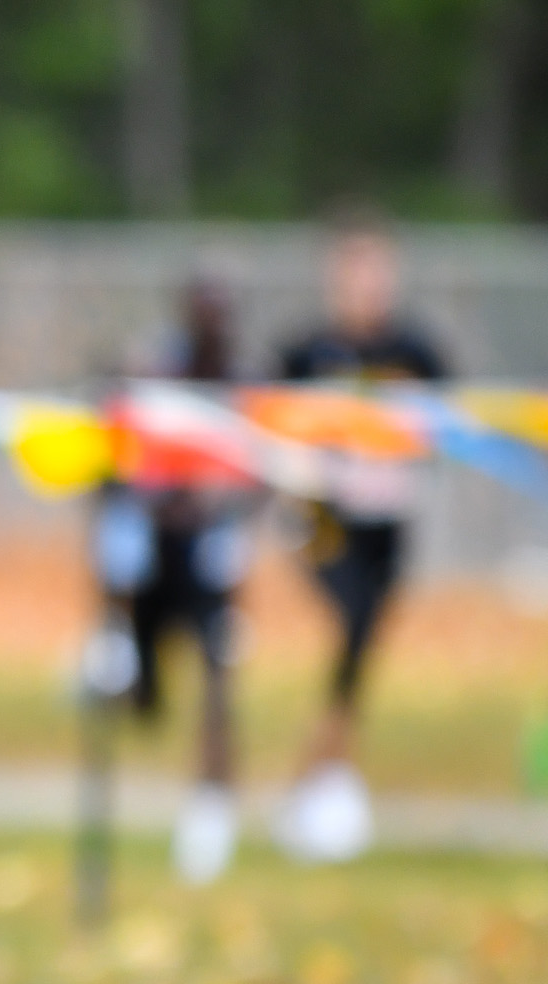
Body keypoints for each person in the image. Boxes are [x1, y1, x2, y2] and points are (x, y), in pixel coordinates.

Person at [273, 216, 446, 863]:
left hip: (387, 525)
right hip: (325, 521)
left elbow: (446, 426)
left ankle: (317, 782)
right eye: (357, 272)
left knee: (358, 652)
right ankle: (325, 783)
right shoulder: (308, 351)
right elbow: (270, 425)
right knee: (351, 631)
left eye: (379, 271)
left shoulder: (415, 352)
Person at [112, 276, 260, 884]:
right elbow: (124, 461)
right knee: (146, 691)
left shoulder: (244, 384)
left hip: (212, 554)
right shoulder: (160, 373)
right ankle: (124, 659)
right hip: (156, 551)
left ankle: (212, 805)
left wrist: (221, 504)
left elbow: (261, 472)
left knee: (218, 675)